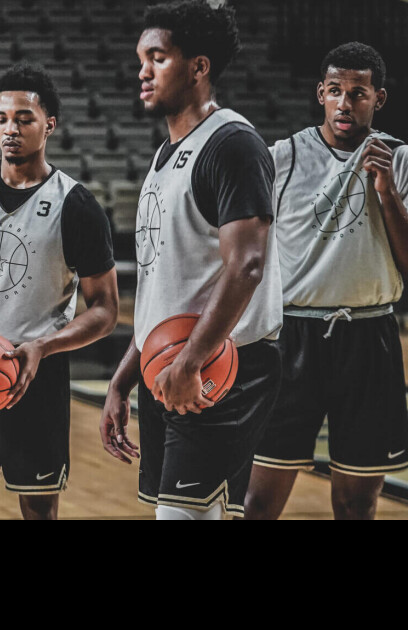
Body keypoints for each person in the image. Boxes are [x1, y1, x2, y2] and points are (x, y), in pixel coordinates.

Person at [99, 0, 282, 520]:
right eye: (142, 58)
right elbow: (165, 287)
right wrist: (121, 381)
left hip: (219, 368)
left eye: (157, 57)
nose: (143, 71)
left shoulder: (233, 145)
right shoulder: (166, 156)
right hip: (175, 363)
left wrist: (190, 361)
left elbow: (247, 265)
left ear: (198, 67)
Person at [0, 64, 119, 520]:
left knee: (38, 508)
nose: (9, 129)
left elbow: (105, 309)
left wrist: (44, 346)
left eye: (23, 119)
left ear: (49, 124)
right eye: (1, 118)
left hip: (36, 371)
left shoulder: (77, 206)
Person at [246, 42, 408, 520]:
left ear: (378, 98)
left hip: (370, 336)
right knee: (258, 502)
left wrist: (388, 195)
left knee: (358, 503)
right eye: (335, 90)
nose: (344, 102)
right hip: (293, 335)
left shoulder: (400, 159)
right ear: (320, 93)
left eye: (358, 93)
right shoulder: (282, 157)